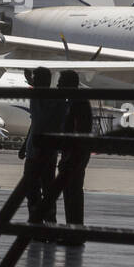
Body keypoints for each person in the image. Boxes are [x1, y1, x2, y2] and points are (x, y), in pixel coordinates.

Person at [13, 67, 65, 223]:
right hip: (37, 150)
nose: (32, 82)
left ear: (42, 81)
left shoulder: (48, 99)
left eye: (35, 79)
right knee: (38, 189)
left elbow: (41, 122)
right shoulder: (42, 97)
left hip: (43, 152)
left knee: (39, 188)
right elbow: (34, 123)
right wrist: (24, 147)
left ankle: (44, 221)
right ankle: (41, 221)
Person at [47, 70, 92, 245]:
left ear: (70, 84)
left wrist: (69, 156)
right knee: (71, 194)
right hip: (74, 154)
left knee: (72, 194)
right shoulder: (76, 101)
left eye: (61, 82)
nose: (58, 85)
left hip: (74, 156)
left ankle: (74, 234)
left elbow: (78, 132)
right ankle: (73, 232)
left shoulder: (77, 103)